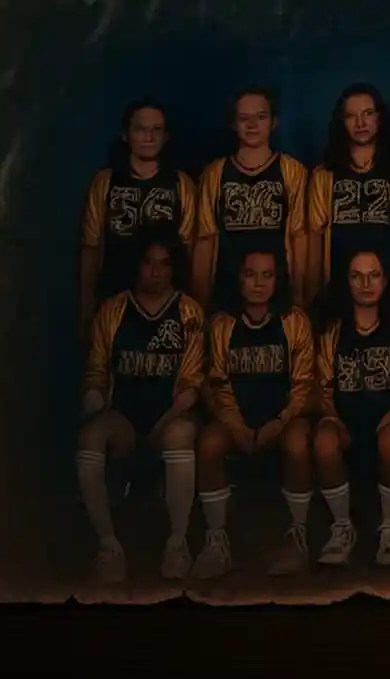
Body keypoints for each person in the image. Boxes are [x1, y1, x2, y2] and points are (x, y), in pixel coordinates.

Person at [74, 230, 206, 584]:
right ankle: (108, 546)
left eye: (164, 264)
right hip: (124, 420)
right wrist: (94, 399)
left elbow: (192, 382)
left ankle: (177, 545)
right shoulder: (114, 310)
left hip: (170, 416)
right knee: (89, 436)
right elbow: (97, 370)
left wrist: (169, 419)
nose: (156, 271)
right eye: (149, 263)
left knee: (181, 433)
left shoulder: (188, 311)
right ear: (137, 266)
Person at [190, 248, 315, 579]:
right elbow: (215, 383)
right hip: (237, 419)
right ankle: (217, 540)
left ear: (278, 280)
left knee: (298, 443)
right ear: (238, 278)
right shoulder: (221, 325)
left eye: (267, 275)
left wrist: (280, 421)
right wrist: (235, 424)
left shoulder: (294, 321)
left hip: (283, 419)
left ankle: (297, 535)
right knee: (209, 444)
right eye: (250, 274)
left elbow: (304, 384)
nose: (258, 283)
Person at [313, 248, 390, 566]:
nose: (366, 283)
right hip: (345, 419)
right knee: (324, 440)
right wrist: (332, 419)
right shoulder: (334, 327)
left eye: (374, 275)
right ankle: (341, 528)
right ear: (346, 282)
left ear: (386, 279)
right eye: (357, 276)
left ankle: (389, 529)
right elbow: (322, 389)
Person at [79, 97, 197, 337]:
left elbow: (189, 251)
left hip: (166, 307)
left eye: (156, 130)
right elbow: (91, 248)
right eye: (140, 129)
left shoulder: (181, 185)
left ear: (166, 137)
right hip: (113, 296)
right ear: (125, 135)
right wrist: (86, 307)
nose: (148, 137)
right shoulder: (105, 182)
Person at [193, 86, 309, 310]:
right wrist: (201, 302)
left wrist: (299, 298)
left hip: (278, 294)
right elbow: (205, 240)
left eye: (261, 117)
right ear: (233, 124)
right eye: (244, 118)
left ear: (273, 122)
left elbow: (299, 239)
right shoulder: (215, 173)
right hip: (227, 294)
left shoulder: (292, 171)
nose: (253, 125)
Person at [306, 83, 390, 308]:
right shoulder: (324, 175)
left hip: (389, 288)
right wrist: (310, 294)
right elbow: (315, 240)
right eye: (351, 116)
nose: (361, 123)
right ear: (341, 122)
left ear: (380, 118)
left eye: (368, 114)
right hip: (337, 288)